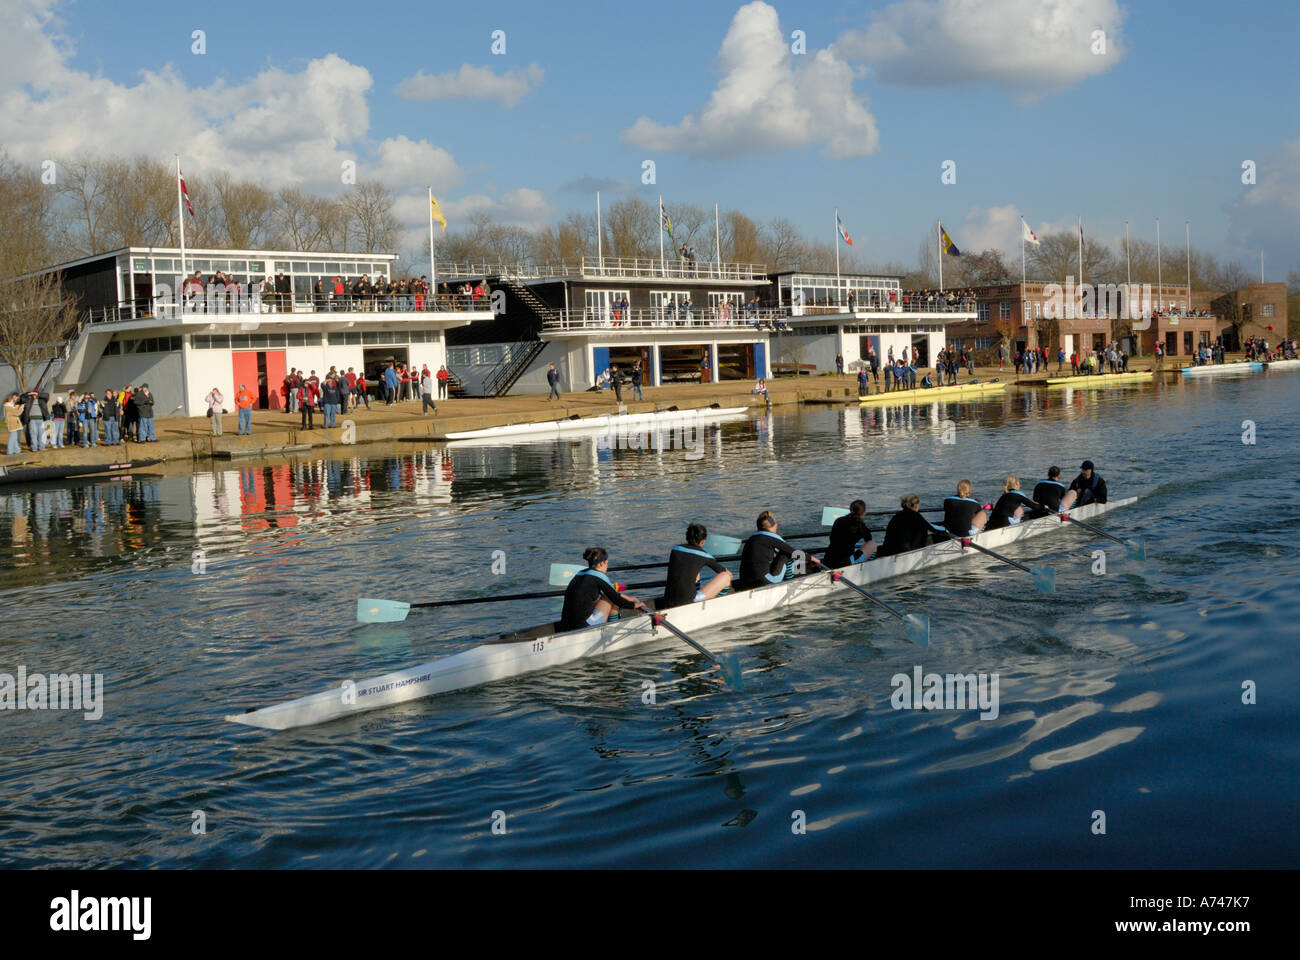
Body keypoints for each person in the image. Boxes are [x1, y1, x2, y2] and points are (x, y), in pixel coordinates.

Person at [558, 547, 648, 631]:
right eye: (607, 563)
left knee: (607, 596)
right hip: (584, 626)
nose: (607, 567)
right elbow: (616, 599)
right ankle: (613, 628)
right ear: (601, 563)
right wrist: (634, 605)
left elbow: (612, 593)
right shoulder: (599, 577)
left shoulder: (580, 574)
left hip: (565, 625)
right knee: (611, 599)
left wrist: (630, 599)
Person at [660, 524, 733, 609]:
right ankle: (716, 604)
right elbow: (725, 572)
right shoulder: (704, 555)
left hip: (668, 599)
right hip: (688, 601)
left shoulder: (675, 549)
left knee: (695, 572)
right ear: (703, 541)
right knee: (726, 576)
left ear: (687, 537)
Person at [738, 511, 796, 590]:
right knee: (786, 553)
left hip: (745, 582)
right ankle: (792, 582)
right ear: (774, 526)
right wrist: (812, 559)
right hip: (764, 581)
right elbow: (794, 552)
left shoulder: (751, 539)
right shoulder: (772, 537)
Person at [879, 494, 943, 556]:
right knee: (922, 528)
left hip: (887, 549)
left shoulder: (897, 515)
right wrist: (946, 532)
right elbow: (932, 529)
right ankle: (919, 551)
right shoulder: (916, 515)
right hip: (903, 551)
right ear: (916, 505)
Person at [820, 500, 877, 568]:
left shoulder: (838, 520)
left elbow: (832, 538)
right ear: (864, 512)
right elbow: (869, 539)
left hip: (828, 560)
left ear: (850, 510)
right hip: (844, 563)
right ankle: (869, 567)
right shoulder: (860, 526)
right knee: (872, 544)